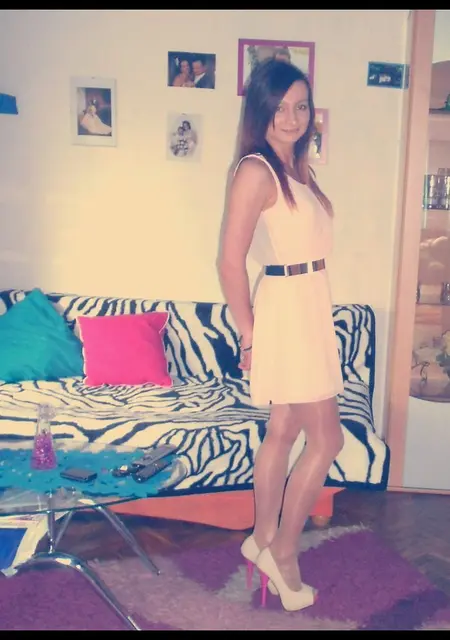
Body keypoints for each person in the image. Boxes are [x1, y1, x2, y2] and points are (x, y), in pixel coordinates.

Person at [218, 58, 344, 612]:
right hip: (287, 312)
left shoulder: (296, 167)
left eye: (301, 106)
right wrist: (249, 335)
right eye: (280, 107)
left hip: (307, 304)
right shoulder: (255, 170)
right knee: (328, 440)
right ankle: (284, 554)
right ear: (260, 110)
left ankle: (264, 537)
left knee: (284, 429)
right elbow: (229, 262)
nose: (292, 117)